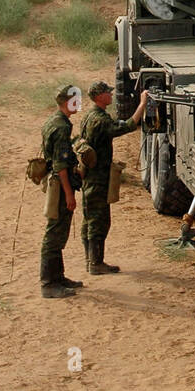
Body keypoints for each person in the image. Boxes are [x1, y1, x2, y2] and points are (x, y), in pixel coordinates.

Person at [80, 81, 147, 273]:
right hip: (98, 177)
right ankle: (95, 263)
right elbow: (127, 126)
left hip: (90, 176)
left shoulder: (89, 116)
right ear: (99, 96)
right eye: (108, 93)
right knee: (98, 221)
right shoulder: (100, 120)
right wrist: (141, 105)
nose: (111, 95)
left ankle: (90, 261)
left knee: (89, 219)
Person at [40, 85, 84, 299]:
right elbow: (60, 165)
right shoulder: (61, 127)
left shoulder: (55, 121)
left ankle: (58, 278)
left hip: (56, 181)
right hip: (60, 184)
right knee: (54, 233)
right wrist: (69, 195)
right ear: (67, 101)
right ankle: (49, 283)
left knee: (57, 232)